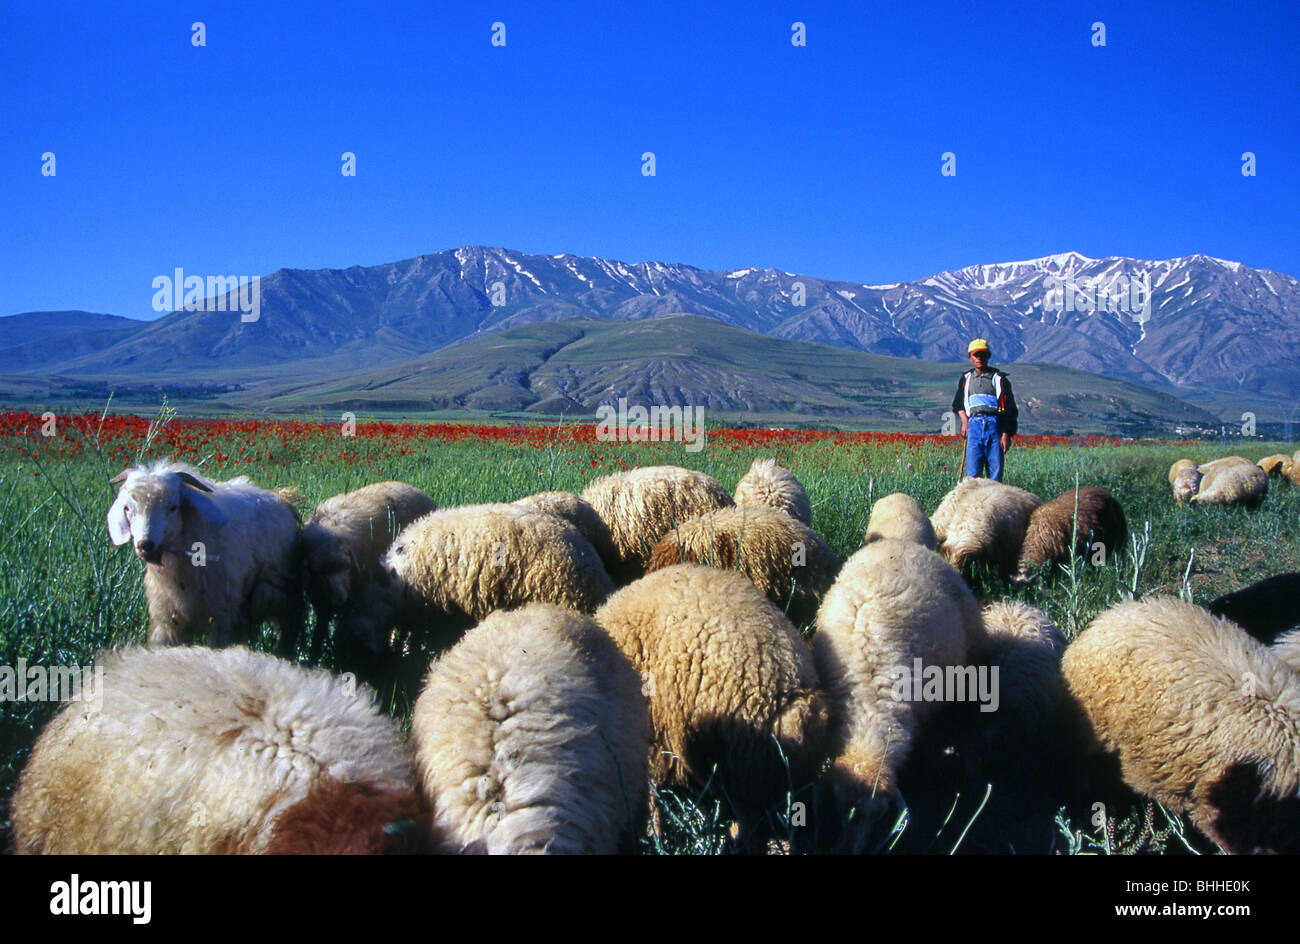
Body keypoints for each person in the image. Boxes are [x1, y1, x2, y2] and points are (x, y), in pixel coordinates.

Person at [952, 338, 1018, 481]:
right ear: (970, 357)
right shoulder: (966, 379)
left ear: (988, 356)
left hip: (994, 425)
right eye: (976, 355)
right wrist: (965, 422)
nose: (980, 358)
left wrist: (1006, 433)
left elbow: (1009, 409)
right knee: (973, 473)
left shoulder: (999, 379)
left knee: (995, 471)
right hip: (973, 424)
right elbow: (958, 404)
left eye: (983, 354)